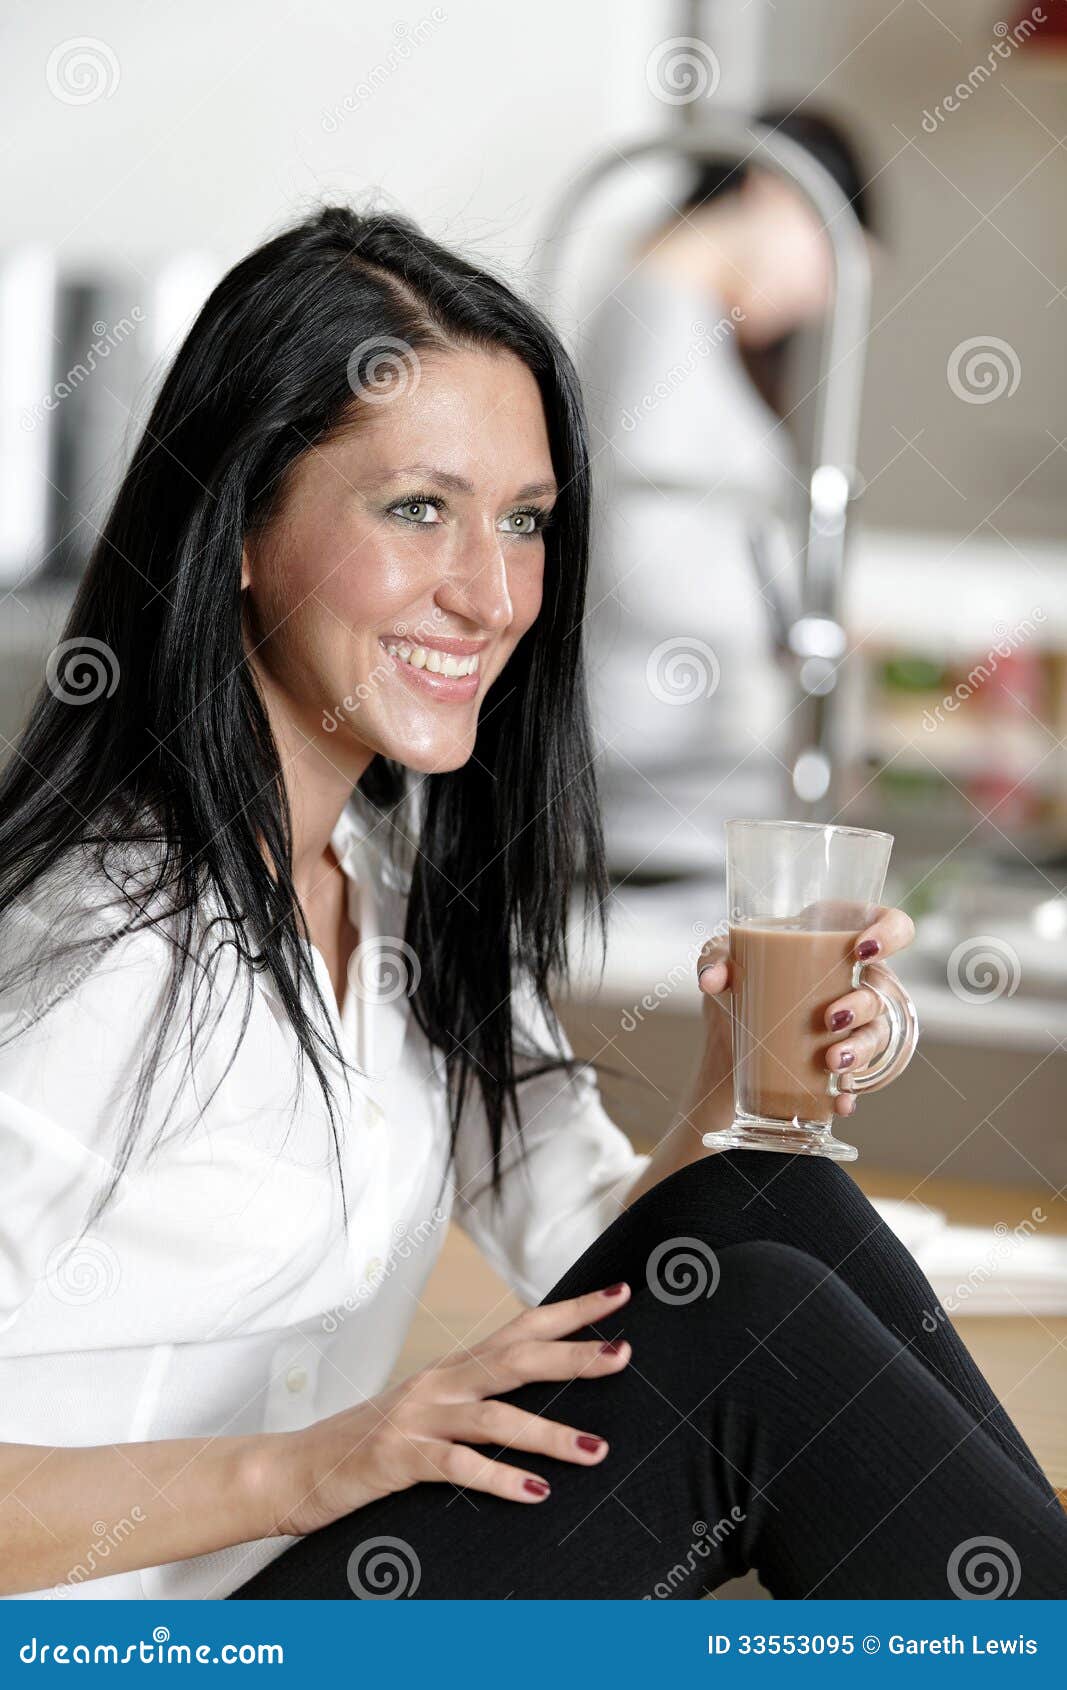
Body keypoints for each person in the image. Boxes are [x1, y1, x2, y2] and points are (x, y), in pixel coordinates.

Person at [0, 204, 1063, 1602]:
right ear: (239, 525)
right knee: (750, 1334)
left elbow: (611, 1257)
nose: (491, 593)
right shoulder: (91, 957)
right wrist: (310, 1464)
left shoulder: (394, 899)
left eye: (525, 522)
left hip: (315, 1597)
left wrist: (738, 1068)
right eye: (415, 508)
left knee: (767, 1208)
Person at [579, 110, 876, 882]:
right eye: (828, 261)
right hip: (646, 799)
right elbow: (641, 563)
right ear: (773, 192)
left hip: (671, 796)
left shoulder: (678, 322)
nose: (817, 301)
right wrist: (799, 627)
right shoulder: (654, 317)